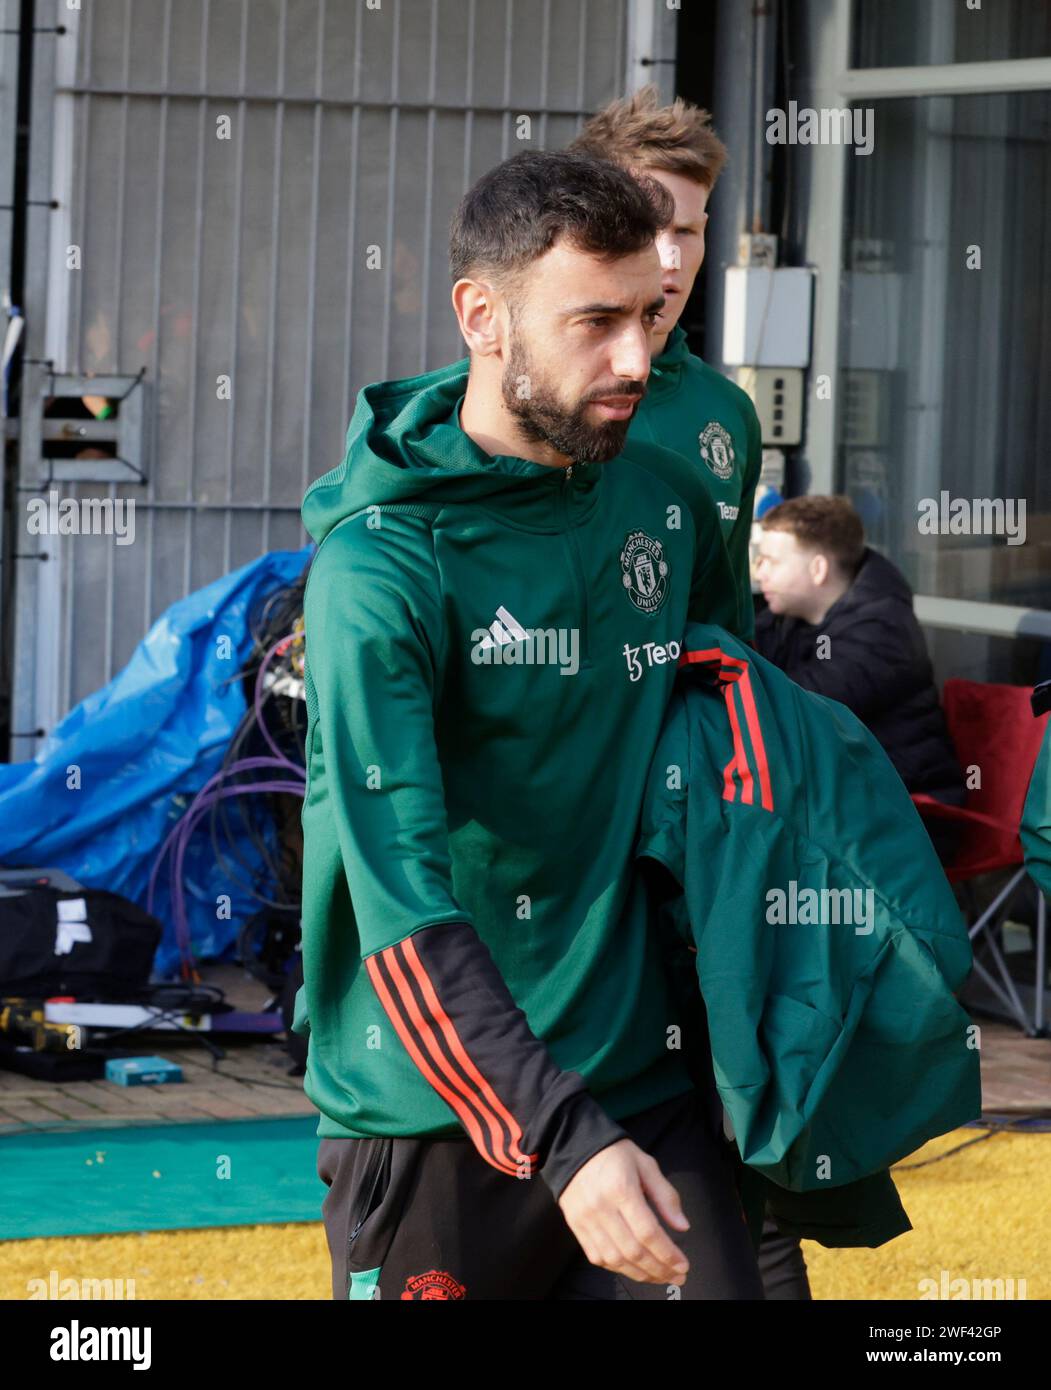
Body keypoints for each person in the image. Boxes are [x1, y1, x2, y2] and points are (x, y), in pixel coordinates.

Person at [295, 149, 762, 1301]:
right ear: (482, 317)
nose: (637, 359)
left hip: (649, 1082)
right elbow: (401, 904)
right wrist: (559, 1134)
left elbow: (719, 754)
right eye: (595, 322)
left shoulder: (666, 501)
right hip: (430, 1115)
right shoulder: (378, 570)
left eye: (647, 316)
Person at [568, 85, 762, 639]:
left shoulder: (728, 411)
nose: (670, 256)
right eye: (649, 228)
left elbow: (729, 626)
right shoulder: (527, 395)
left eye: (687, 230)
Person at [755, 495, 967, 822]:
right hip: (846, 796)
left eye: (772, 561)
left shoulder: (882, 631)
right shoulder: (789, 617)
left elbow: (796, 708)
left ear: (818, 569)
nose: (759, 572)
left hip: (909, 813)